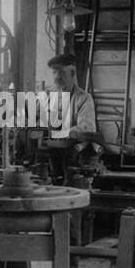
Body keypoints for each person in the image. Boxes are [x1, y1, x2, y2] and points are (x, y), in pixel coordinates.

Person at [46, 53, 100, 183]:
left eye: (61, 72)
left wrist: (64, 133)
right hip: (56, 146)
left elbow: (87, 127)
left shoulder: (84, 98)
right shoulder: (50, 95)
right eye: (54, 72)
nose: (57, 77)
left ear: (72, 73)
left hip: (78, 148)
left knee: (69, 168)